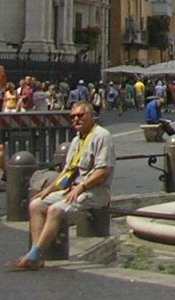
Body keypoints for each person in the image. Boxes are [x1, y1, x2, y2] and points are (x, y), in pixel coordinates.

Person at [8, 102, 114, 271]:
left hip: (95, 191)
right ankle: (36, 254)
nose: (76, 119)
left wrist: (82, 187)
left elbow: (104, 170)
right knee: (36, 204)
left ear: (91, 116)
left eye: (80, 116)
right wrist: (49, 190)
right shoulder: (76, 139)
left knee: (55, 210)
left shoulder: (102, 136)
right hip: (73, 189)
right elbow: (68, 171)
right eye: (73, 117)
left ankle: (34, 255)